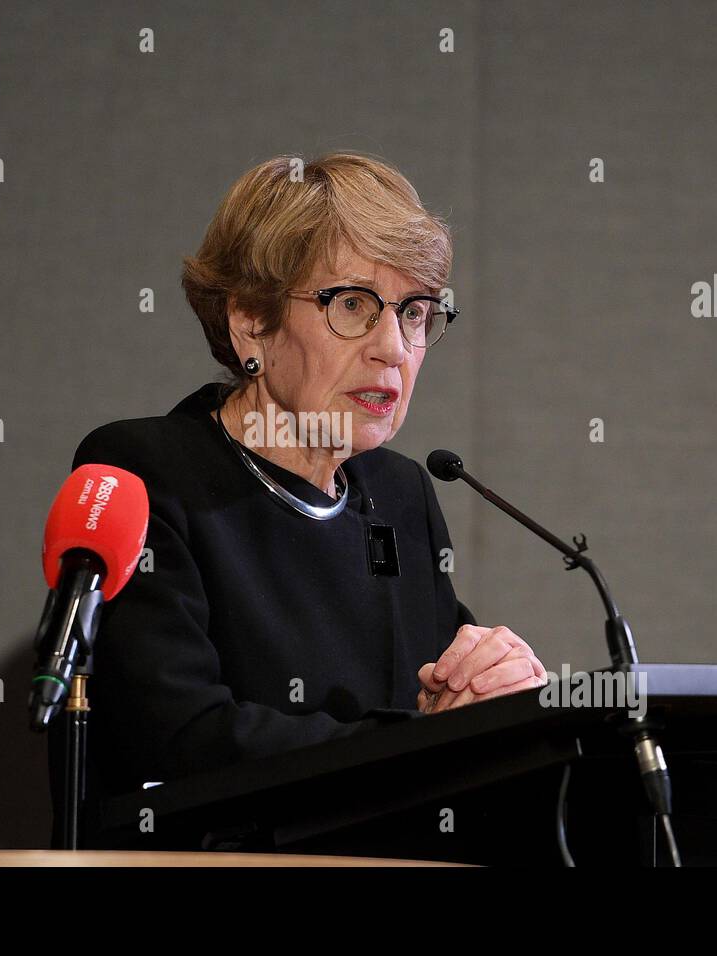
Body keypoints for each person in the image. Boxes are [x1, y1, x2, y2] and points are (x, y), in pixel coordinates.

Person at [48, 153, 545, 845]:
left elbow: (443, 707)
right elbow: (179, 737)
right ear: (251, 322)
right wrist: (424, 742)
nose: (393, 349)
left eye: (416, 313)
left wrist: (500, 692)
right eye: (352, 306)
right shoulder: (147, 471)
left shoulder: (400, 495)